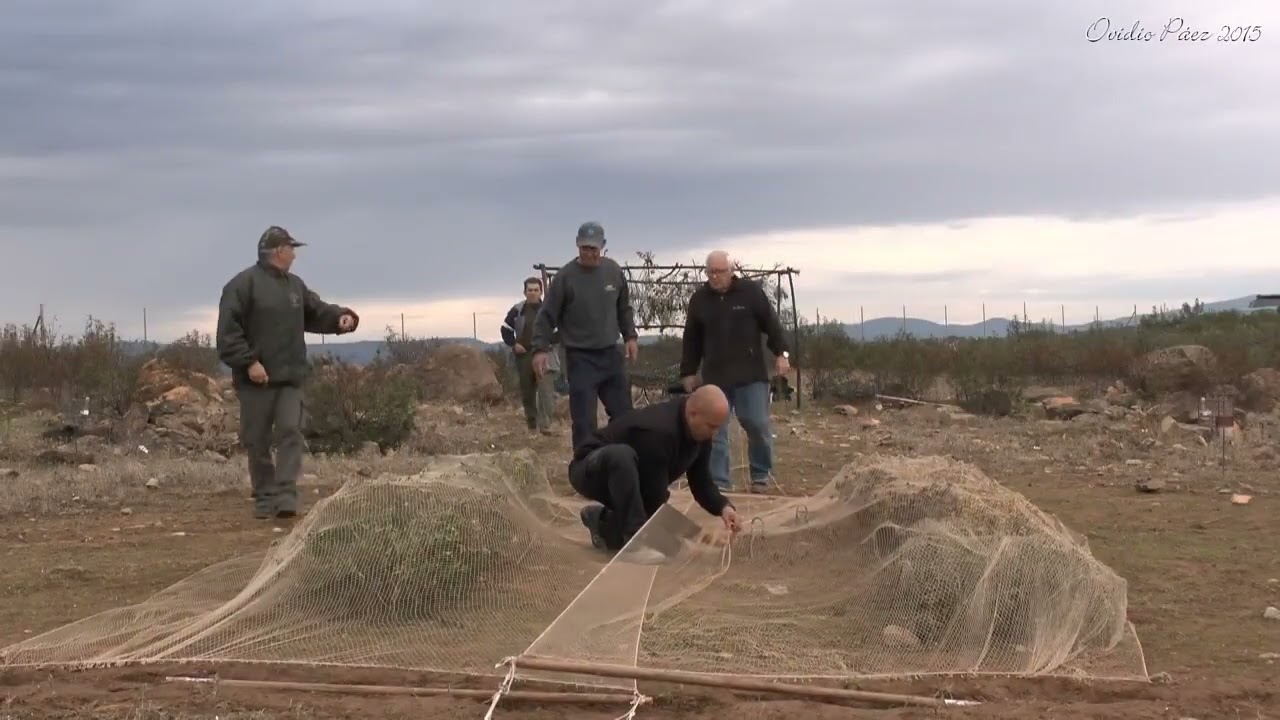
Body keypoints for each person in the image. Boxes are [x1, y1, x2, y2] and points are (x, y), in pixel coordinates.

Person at [216, 226, 360, 520]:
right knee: (256, 439)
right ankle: (265, 497)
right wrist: (249, 363)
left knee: (290, 433)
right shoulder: (241, 286)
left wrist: (342, 318)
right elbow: (227, 335)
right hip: (255, 379)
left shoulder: (295, 286)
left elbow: (316, 311)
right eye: (291, 248)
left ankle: (285, 497)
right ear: (279, 251)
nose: (295, 254)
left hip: (290, 376)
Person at [570, 385, 744, 561]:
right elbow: (655, 500)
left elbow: (701, 482)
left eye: (718, 428)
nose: (714, 434)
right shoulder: (659, 432)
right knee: (621, 456)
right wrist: (699, 535)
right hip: (590, 467)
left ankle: (602, 521)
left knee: (668, 546)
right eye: (712, 426)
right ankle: (635, 543)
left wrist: (724, 508)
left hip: (630, 478)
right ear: (693, 414)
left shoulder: (699, 433)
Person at [679, 250, 791, 493]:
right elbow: (691, 339)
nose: (715, 276)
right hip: (715, 378)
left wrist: (782, 354)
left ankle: (761, 476)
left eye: (720, 271)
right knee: (714, 431)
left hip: (750, 375)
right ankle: (719, 483)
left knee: (757, 424)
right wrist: (688, 371)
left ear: (731, 271)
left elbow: (771, 324)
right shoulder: (699, 300)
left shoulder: (750, 293)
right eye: (711, 272)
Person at [531, 221, 640, 449]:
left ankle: (623, 458)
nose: (589, 253)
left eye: (593, 248)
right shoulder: (565, 277)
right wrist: (540, 349)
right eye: (584, 248)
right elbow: (547, 315)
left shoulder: (613, 271)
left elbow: (624, 308)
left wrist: (630, 336)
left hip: (611, 354)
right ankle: (586, 466)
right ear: (577, 246)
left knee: (624, 414)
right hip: (580, 358)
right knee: (583, 422)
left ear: (603, 246)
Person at [499, 276, 559, 435]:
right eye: (530, 290)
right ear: (524, 292)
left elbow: (559, 332)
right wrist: (513, 344)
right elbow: (505, 329)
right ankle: (532, 427)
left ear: (541, 292)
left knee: (546, 391)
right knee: (528, 393)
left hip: (545, 354)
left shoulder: (549, 309)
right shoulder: (518, 310)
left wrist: (546, 344)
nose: (533, 293)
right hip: (524, 355)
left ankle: (546, 426)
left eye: (536, 290)